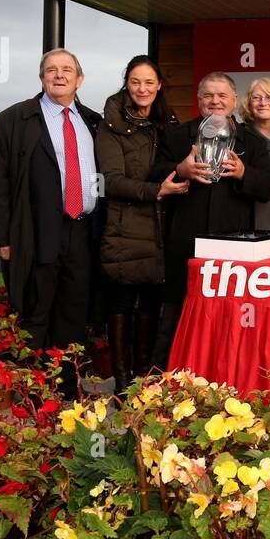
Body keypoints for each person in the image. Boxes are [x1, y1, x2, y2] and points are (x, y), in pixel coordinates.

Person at [0, 49, 102, 388]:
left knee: (73, 313)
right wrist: (3, 238)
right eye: (51, 70)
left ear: (79, 80)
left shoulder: (92, 122)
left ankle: (64, 392)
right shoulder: (14, 121)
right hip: (35, 233)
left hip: (82, 232)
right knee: (35, 312)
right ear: (42, 78)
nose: (59, 75)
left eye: (67, 70)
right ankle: (31, 394)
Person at [148, 73, 270, 367]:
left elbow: (269, 187)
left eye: (222, 96)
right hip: (185, 241)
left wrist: (245, 173)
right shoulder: (177, 135)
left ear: (234, 100)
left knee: (229, 318)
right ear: (199, 101)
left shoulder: (252, 141)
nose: (215, 101)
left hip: (234, 245)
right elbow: (153, 174)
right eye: (208, 96)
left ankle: (224, 377)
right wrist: (180, 169)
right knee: (175, 315)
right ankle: (160, 381)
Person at [95, 55, 188, 392]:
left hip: (162, 225)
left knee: (151, 302)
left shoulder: (170, 121)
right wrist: (156, 190)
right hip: (126, 225)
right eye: (136, 82)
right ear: (126, 83)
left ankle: (142, 380)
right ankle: (122, 384)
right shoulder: (112, 123)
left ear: (159, 84)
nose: (142, 88)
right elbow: (111, 180)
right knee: (122, 301)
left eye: (149, 82)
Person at [241, 77, 270, 231]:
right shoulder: (239, 134)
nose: (263, 103)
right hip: (247, 210)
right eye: (256, 98)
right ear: (248, 103)